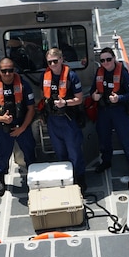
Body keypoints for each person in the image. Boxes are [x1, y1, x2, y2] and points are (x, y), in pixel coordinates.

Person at [0, 58, 37, 196]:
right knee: (1, 155)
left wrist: (22, 128)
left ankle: (34, 179)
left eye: (10, 70)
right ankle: (0, 180)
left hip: (22, 127)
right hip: (3, 129)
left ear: (14, 70)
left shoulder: (24, 86)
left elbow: (31, 109)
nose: (7, 74)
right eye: (4, 71)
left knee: (30, 152)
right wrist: (2, 119)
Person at [40, 48, 87, 192]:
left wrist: (65, 103)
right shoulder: (45, 76)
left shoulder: (72, 77)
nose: (53, 64)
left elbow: (79, 99)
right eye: (50, 62)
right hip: (53, 120)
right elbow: (44, 96)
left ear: (61, 60)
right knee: (60, 152)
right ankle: (66, 178)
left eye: (55, 61)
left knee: (74, 152)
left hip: (68, 119)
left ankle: (80, 178)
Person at [90, 47, 129, 177]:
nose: (106, 63)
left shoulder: (123, 73)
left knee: (125, 140)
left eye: (108, 59)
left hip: (119, 111)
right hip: (104, 111)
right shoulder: (99, 72)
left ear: (114, 59)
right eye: (103, 60)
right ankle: (106, 162)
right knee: (104, 139)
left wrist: (119, 98)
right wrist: (94, 96)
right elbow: (92, 90)